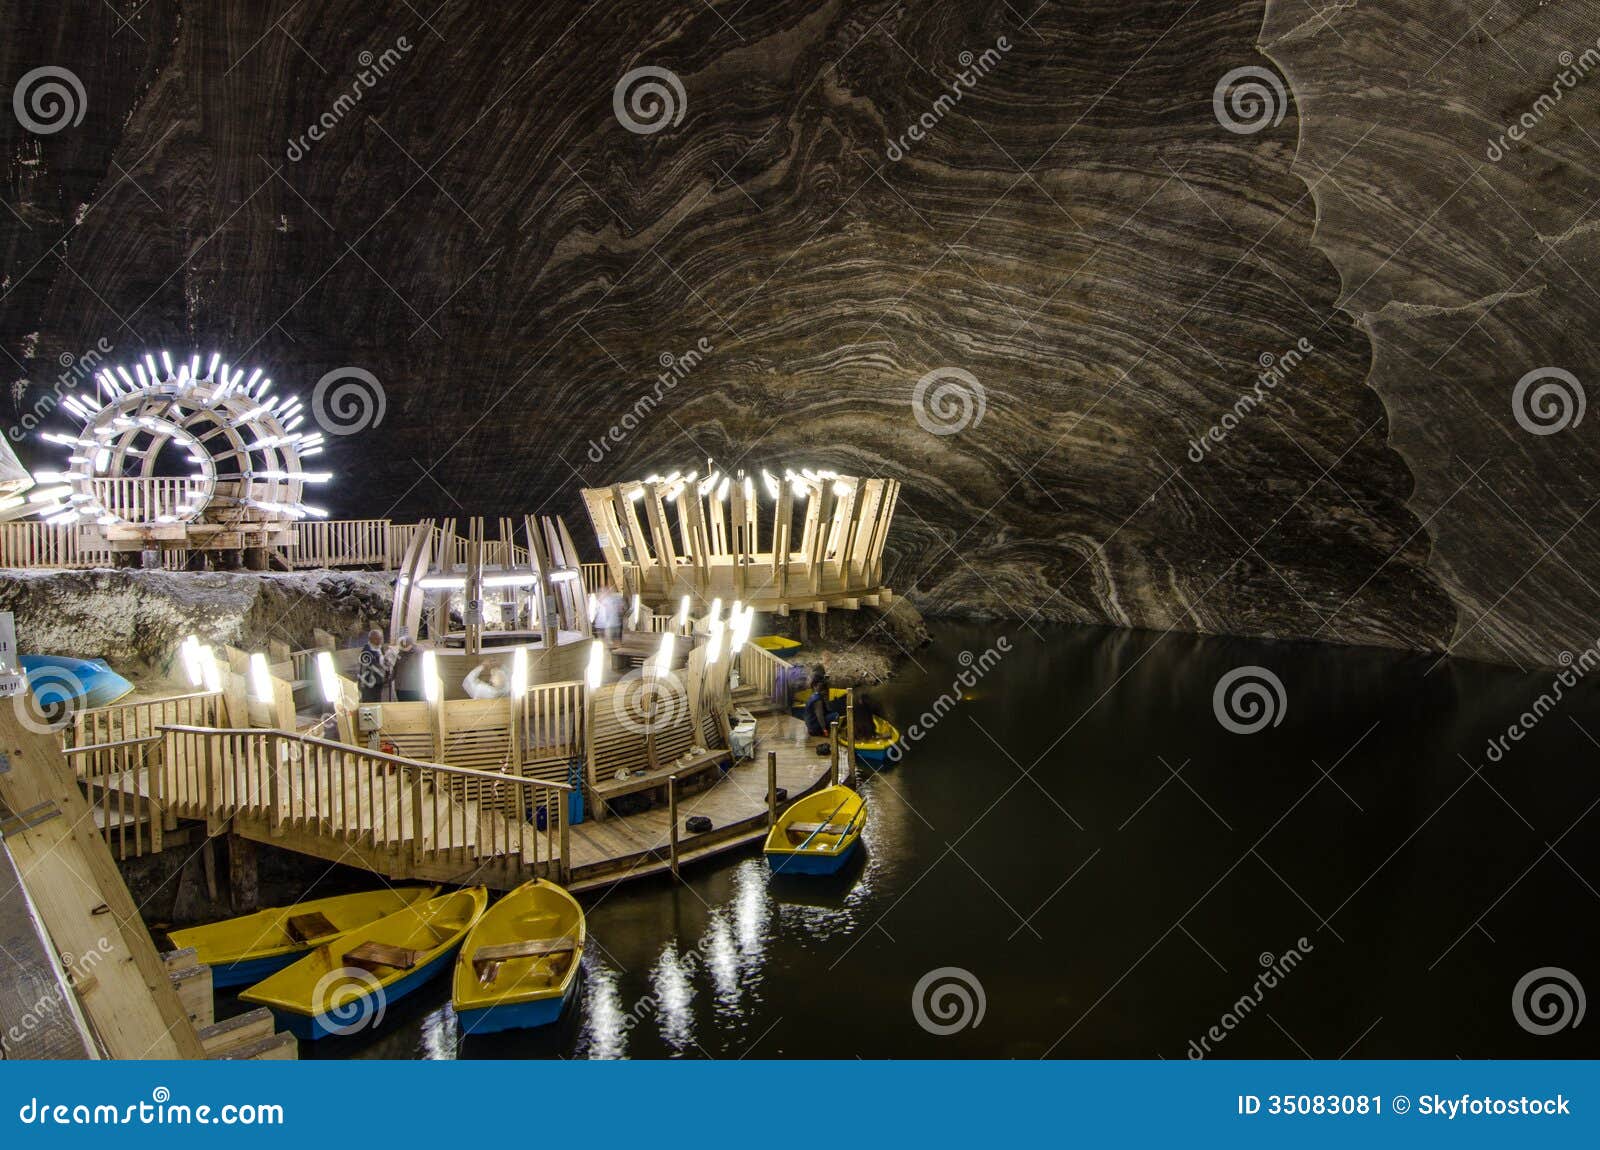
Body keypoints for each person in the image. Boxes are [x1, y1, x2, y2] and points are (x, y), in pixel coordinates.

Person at [357, 628, 389, 703]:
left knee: (377, 701)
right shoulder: (366, 651)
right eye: (376, 639)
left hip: (379, 681)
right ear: (370, 639)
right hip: (369, 683)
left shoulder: (380, 648)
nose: (379, 641)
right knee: (370, 702)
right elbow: (364, 668)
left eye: (380, 639)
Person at [391, 635, 423, 702]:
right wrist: (391, 677)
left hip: (413, 688)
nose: (404, 649)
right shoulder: (400, 653)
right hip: (400, 687)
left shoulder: (418, 654)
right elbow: (396, 667)